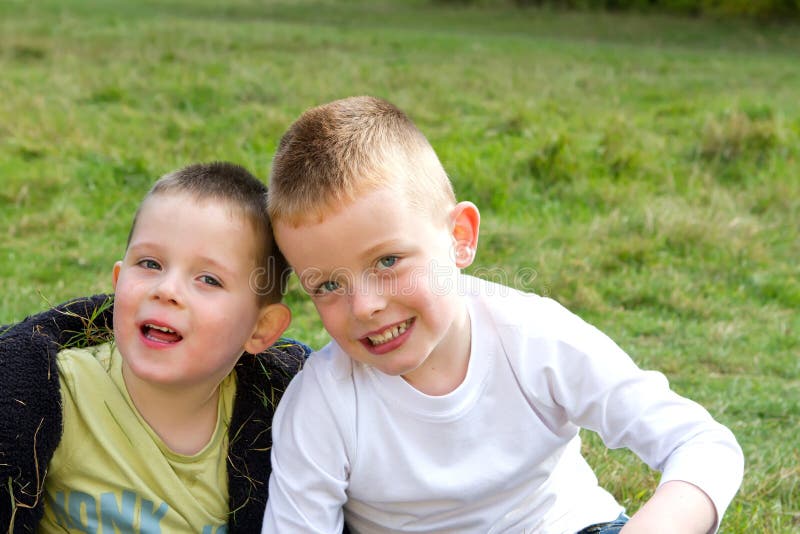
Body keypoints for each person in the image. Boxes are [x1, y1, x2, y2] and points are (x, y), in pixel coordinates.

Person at [261, 96, 744, 533]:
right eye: (328, 285)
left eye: (387, 261)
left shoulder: (533, 336)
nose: (364, 306)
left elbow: (703, 445)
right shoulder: (321, 403)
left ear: (460, 238)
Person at [0, 162, 310, 533]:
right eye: (150, 263)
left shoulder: (278, 430)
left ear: (261, 328)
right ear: (118, 283)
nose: (166, 290)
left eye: (208, 279)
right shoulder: (56, 394)